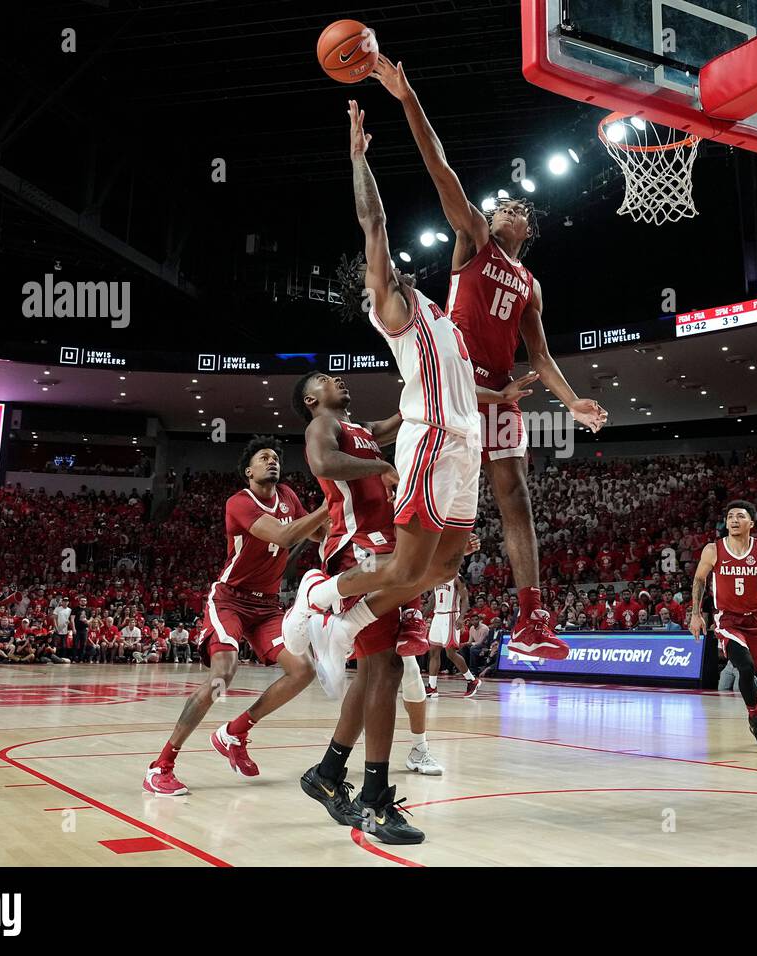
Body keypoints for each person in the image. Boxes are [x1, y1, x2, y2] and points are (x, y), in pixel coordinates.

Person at [283, 103, 533, 709]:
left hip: (466, 444)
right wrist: (358, 157)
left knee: (443, 569)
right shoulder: (394, 311)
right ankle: (319, 597)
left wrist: (498, 394)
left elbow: (459, 380)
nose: (395, 265)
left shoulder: (441, 318)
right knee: (404, 570)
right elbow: (374, 221)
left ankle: (344, 622)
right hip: (429, 440)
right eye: (386, 268)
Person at [371, 54, 607, 660]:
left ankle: (532, 619)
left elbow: (544, 357)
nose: (508, 210)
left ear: (528, 229)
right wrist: (406, 97)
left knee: (515, 496)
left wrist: (571, 400)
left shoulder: (528, 283)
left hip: (500, 394)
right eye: (502, 205)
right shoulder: (473, 239)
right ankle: (402, 609)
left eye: (518, 210)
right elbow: (440, 167)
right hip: (451, 386)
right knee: (436, 530)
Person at [291, 368, 480, 841]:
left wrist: (433, 384)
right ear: (312, 400)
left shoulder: (362, 430)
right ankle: (374, 801)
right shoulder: (322, 427)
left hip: (382, 542)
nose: (336, 380)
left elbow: (400, 417)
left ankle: (329, 773)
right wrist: (378, 468)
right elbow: (323, 464)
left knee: (381, 671)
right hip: (359, 546)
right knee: (387, 670)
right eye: (324, 380)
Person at [142, 437, 329, 797]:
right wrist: (330, 503)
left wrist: (347, 521)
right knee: (223, 675)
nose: (272, 462)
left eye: (275, 457)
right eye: (264, 458)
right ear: (249, 470)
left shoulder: (289, 495)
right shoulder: (239, 502)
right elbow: (286, 535)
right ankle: (161, 765)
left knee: (303, 669)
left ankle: (236, 731)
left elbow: (320, 532)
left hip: (267, 606)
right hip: (229, 600)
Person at [690, 500, 757, 749]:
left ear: (751, 523)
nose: (733, 520)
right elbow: (699, 580)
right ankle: (754, 718)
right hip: (728, 619)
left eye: (740, 516)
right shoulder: (713, 550)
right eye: (730, 516)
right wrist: (695, 613)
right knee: (744, 667)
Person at [427, 575, 478, 698]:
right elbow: (433, 599)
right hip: (437, 616)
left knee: (450, 653)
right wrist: (422, 615)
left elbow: (465, 599)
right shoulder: (436, 577)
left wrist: (461, 617)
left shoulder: (457, 578)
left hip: (450, 616)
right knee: (433, 652)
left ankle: (472, 680)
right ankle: (432, 687)